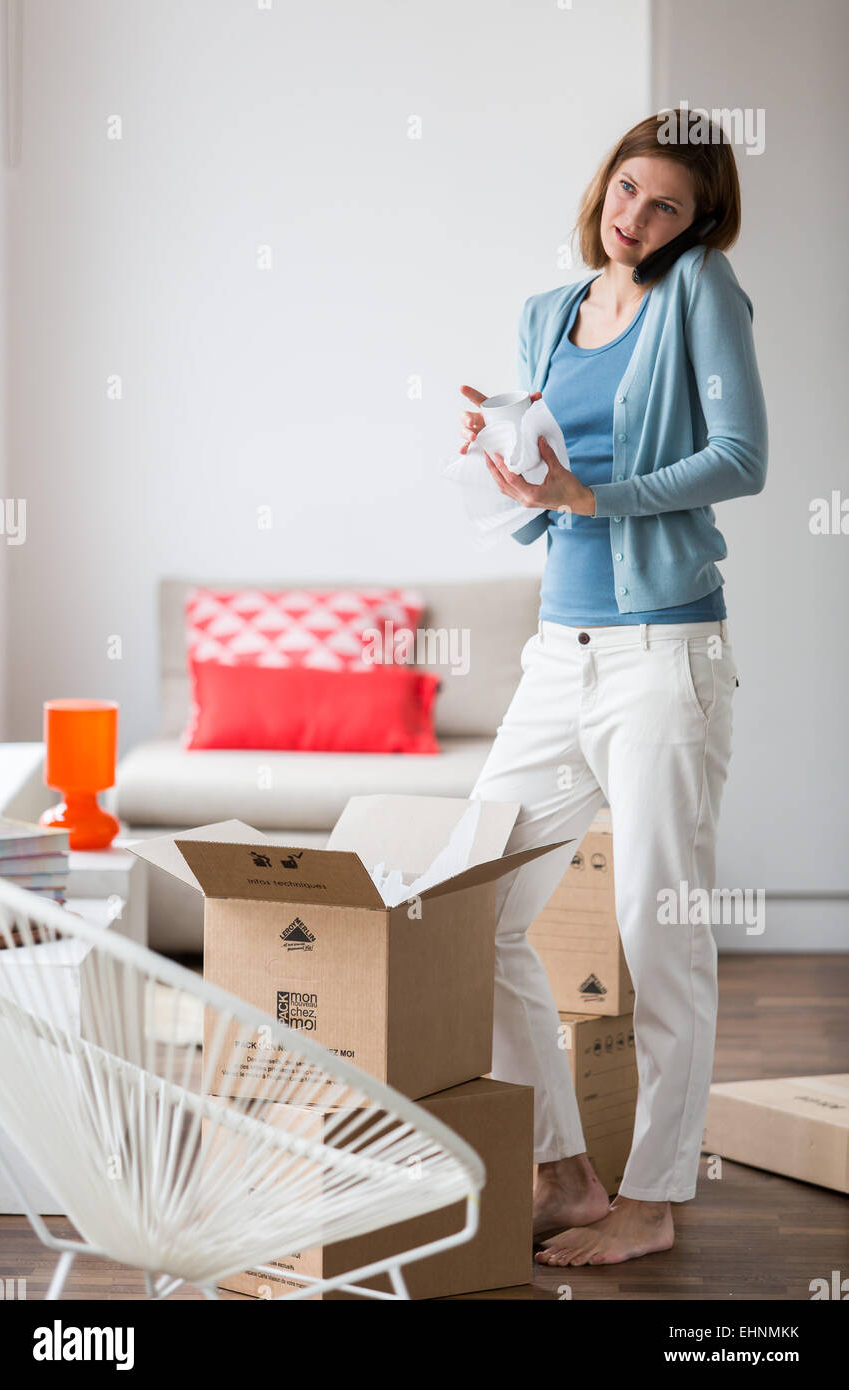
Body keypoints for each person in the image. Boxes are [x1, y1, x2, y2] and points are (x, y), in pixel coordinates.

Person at [458, 110, 768, 1266]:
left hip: (662, 656)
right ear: (603, 183)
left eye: (664, 206)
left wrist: (597, 498)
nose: (632, 219)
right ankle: (567, 1170)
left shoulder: (702, 295)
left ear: (698, 222)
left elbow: (741, 457)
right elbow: (552, 483)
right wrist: (505, 451)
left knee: (658, 932)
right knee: (475, 909)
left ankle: (652, 1194)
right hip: (559, 650)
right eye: (625, 190)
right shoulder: (549, 315)